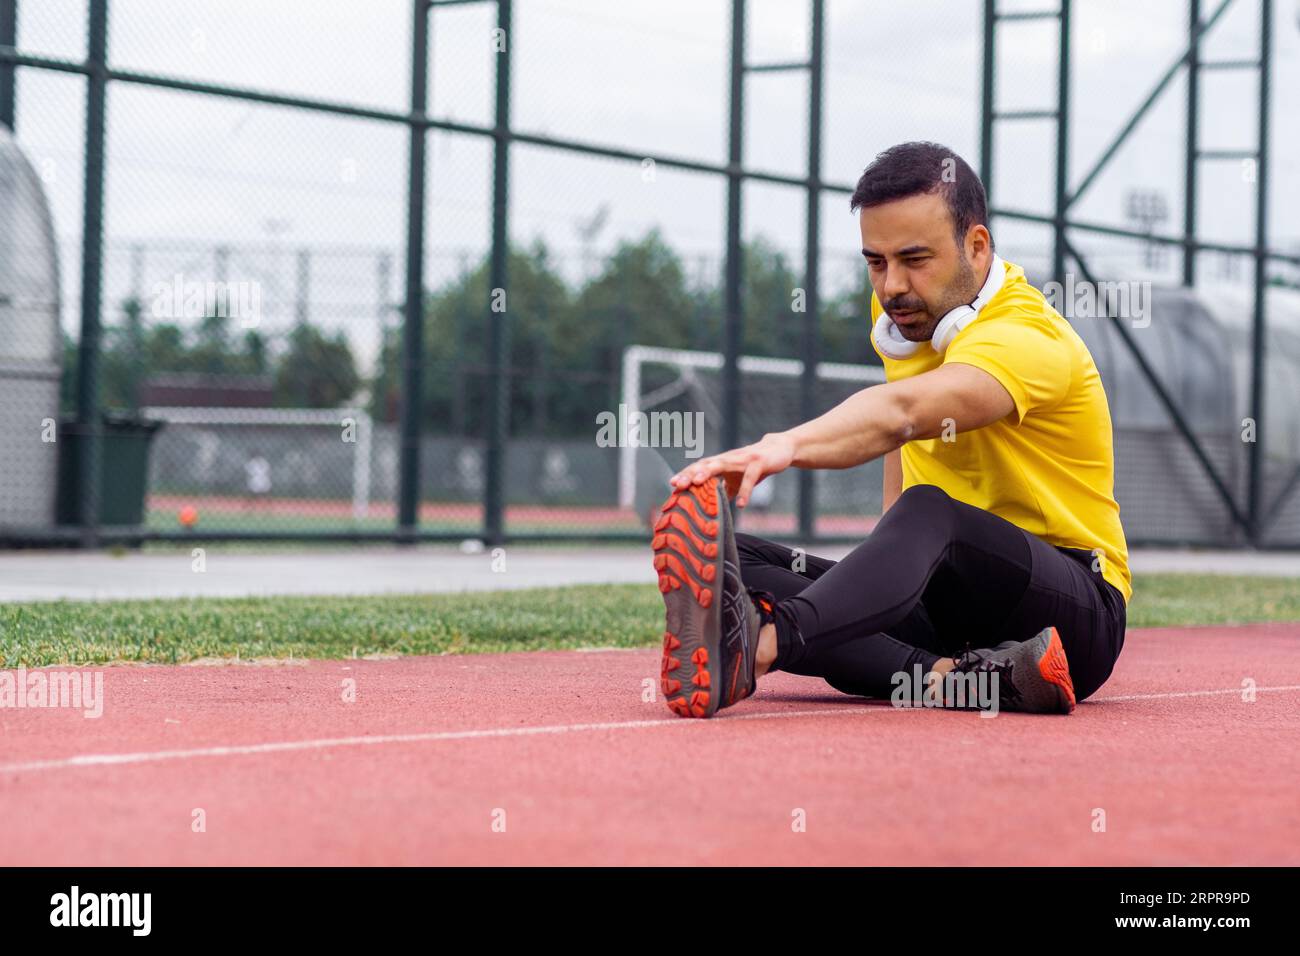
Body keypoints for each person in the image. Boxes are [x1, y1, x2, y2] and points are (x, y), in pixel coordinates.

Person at [651, 141, 1129, 718]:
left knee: (932, 511)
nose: (892, 285)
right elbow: (901, 443)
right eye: (875, 262)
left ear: (977, 247)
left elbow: (904, 412)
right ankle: (960, 678)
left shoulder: (1028, 338)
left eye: (913, 259)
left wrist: (785, 446)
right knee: (729, 555)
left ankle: (760, 647)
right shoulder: (907, 317)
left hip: (1070, 608)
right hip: (951, 610)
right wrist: (881, 582)